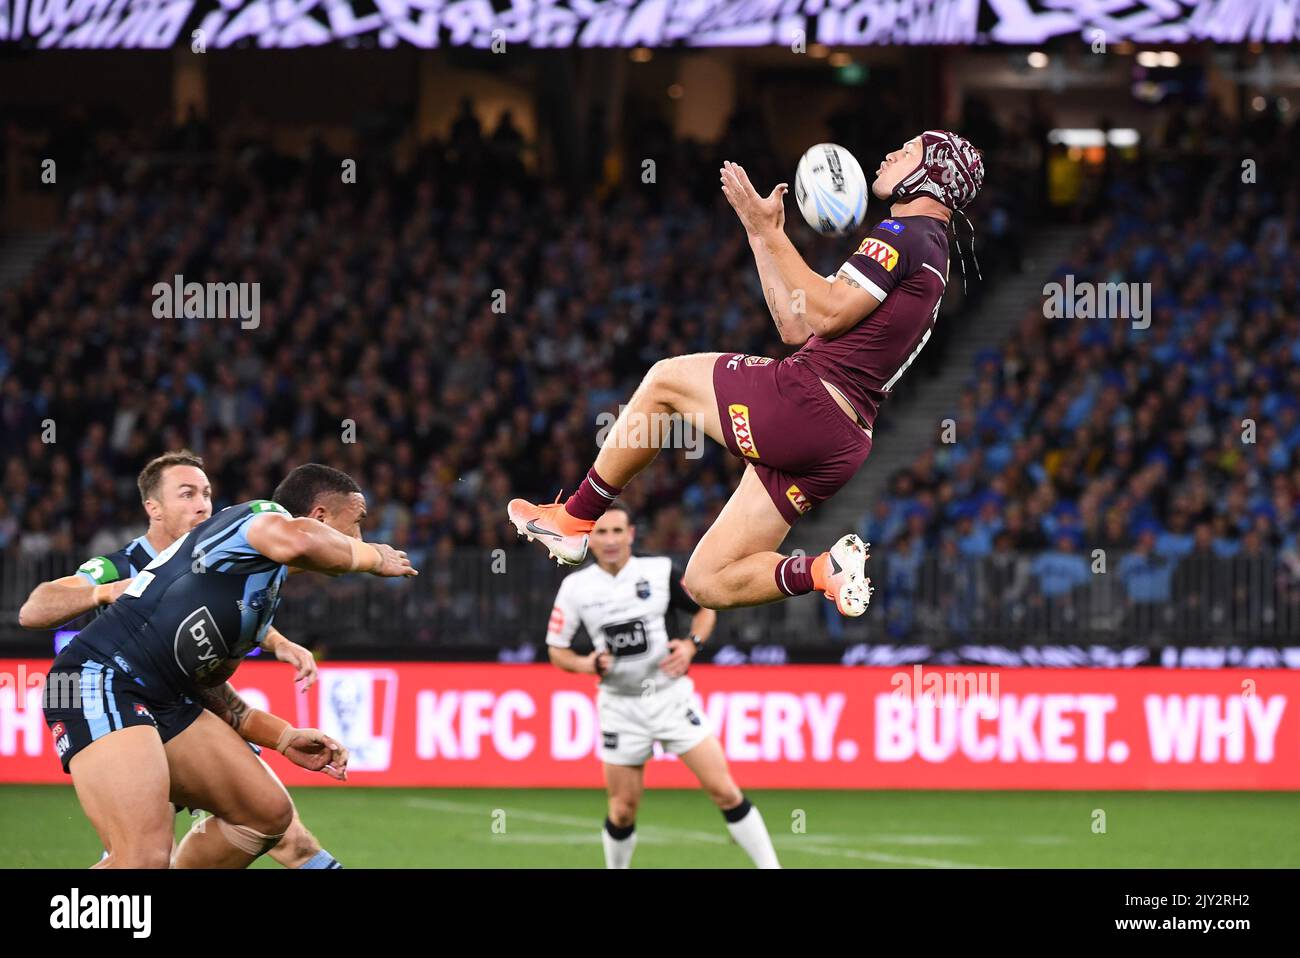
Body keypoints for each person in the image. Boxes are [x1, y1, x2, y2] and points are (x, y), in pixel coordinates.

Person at [510, 131, 984, 621]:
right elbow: (795, 324)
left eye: (907, 151)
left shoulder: (903, 234)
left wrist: (774, 235)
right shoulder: (930, 248)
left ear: (935, 174)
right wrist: (761, 235)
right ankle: (825, 571)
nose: (891, 154)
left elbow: (826, 314)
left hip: (808, 404)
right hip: (840, 443)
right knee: (707, 580)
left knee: (664, 381)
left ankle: (575, 519)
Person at [40, 462, 416, 868]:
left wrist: (284, 737)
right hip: (96, 677)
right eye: (357, 522)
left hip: (163, 698)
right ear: (320, 517)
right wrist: (371, 556)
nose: (360, 536)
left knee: (267, 813)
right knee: (144, 858)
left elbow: (214, 695)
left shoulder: (260, 595)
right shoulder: (256, 518)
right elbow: (298, 540)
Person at [546, 504, 780, 869]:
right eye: (602, 532)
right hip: (620, 705)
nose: (610, 540)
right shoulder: (575, 587)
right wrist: (585, 664)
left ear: (631, 535)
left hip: (670, 696)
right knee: (622, 810)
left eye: (617, 531)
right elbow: (556, 650)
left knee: (724, 791)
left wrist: (691, 645)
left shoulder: (658, 571)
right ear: (590, 539)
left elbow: (704, 608)